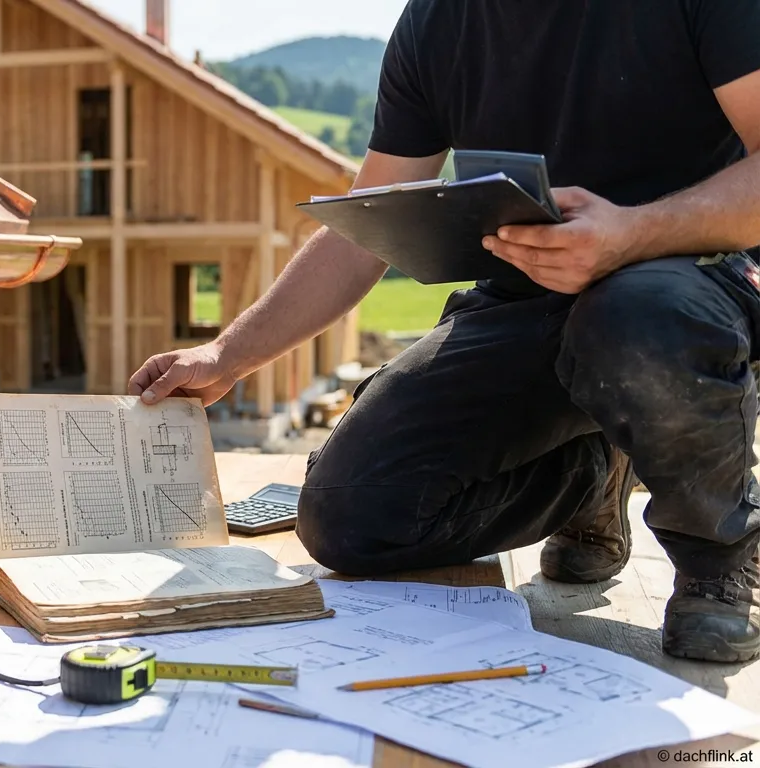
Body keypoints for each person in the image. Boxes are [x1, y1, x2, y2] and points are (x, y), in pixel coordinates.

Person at [129, 1, 760, 663]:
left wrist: (631, 235)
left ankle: (720, 562)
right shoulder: (437, 22)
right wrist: (229, 355)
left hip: (693, 287)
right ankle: (596, 469)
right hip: (525, 299)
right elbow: (361, 233)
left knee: (637, 315)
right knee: (350, 517)